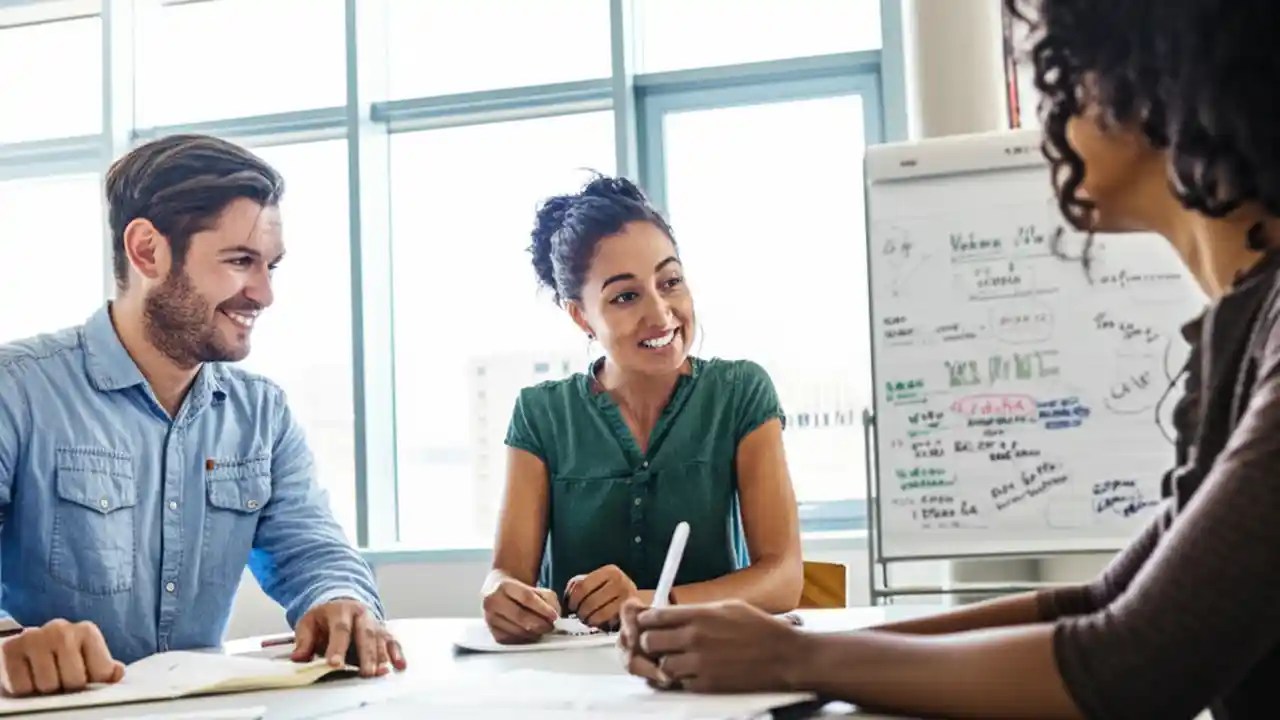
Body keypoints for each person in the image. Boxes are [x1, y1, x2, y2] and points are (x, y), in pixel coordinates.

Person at [620, 0, 1280, 717]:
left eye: (1067, 80)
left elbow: (1134, 664)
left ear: (1158, 87)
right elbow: (1101, 600)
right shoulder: (1246, 324)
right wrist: (771, 648)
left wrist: (791, 656)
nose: (1048, 115)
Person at [0, 135, 405, 698]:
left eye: (271, 266)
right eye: (241, 261)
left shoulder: (261, 413)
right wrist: (9, 644)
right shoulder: (15, 391)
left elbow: (313, 549)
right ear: (147, 251)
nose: (264, 294)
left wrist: (340, 600)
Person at [480, 175, 802, 643]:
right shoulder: (539, 413)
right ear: (581, 316)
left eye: (670, 282)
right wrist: (502, 596)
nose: (660, 313)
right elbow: (505, 575)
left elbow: (783, 577)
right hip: (571, 682)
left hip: (706, 668)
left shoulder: (741, 392)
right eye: (625, 296)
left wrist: (653, 602)